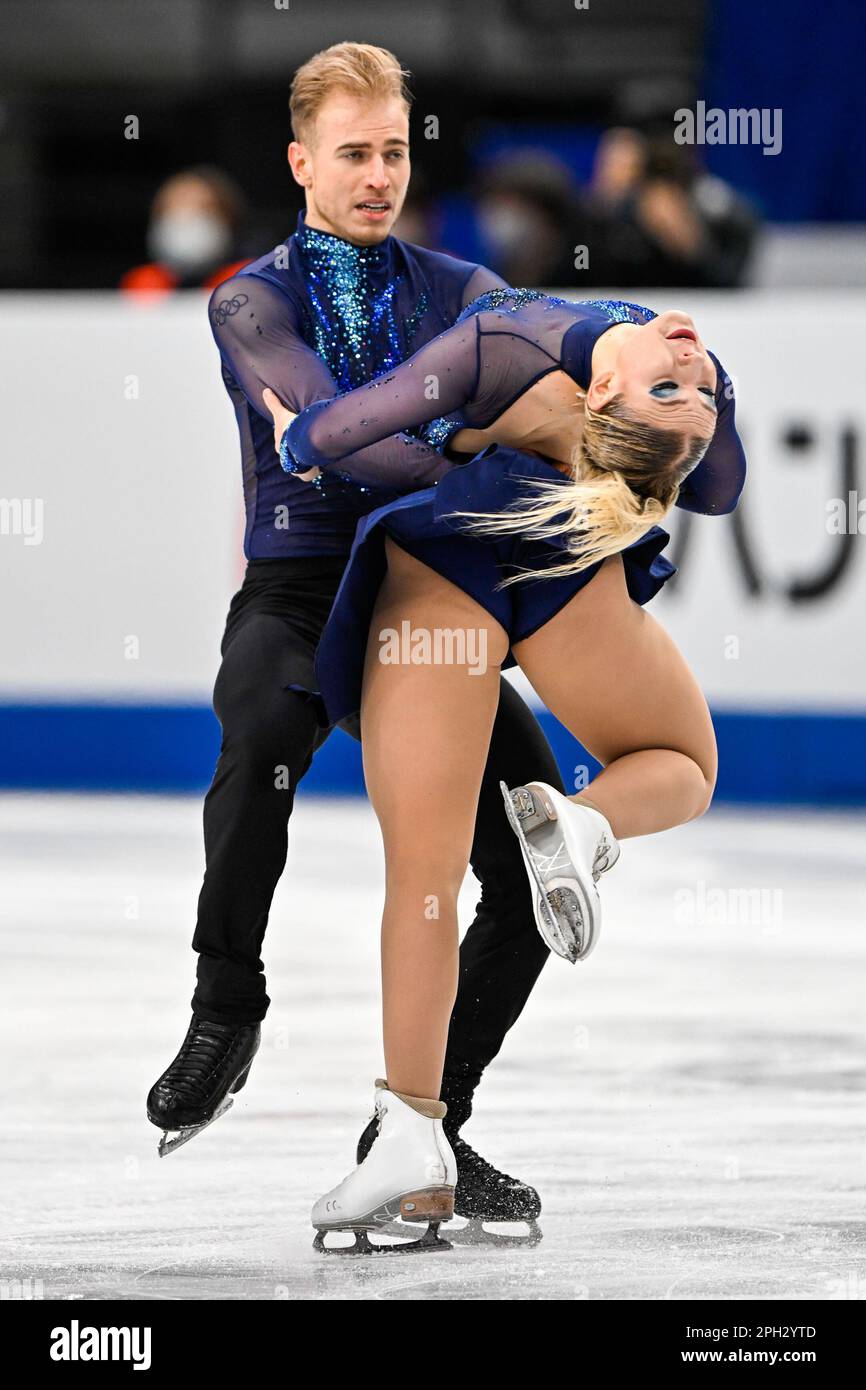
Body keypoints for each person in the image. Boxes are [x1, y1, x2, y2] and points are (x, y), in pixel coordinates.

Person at [146, 43, 567, 1241]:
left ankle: (424, 1123)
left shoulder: (463, 284)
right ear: (300, 162)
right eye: (353, 154)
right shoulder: (250, 298)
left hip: (427, 603)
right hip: (294, 589)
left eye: (393, 150)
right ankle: (226, 1003)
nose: (378, 174)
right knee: (263, 734)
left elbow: (528, 406)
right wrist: (465, 428)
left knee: (539, 861)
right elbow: (341, 441)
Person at [266, 290, 746, 1251]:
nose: (696, 365)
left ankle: (410, 1137)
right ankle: (587, 824)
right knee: (677, 765)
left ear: (602, 394)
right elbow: (719, 485)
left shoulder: (499, 343)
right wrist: (688, 409)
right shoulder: (673, 370)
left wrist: (291, 437)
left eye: (681, 386)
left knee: (427, 875)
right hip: (567, 554)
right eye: (689, 384)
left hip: (458, 563)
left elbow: (337, 430)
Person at [120, 167, 251, 297]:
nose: (186, 218)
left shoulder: (249, 280)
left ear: (228, 218)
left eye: (202, 208)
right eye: (173, 208)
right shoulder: (142, 284)